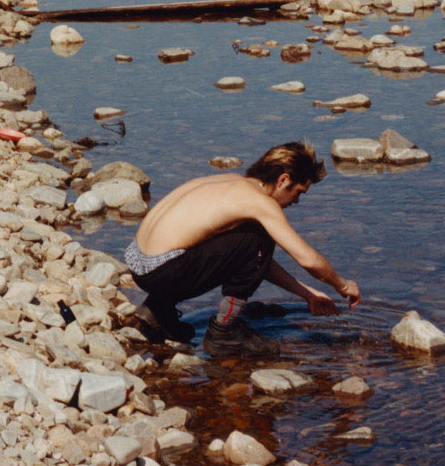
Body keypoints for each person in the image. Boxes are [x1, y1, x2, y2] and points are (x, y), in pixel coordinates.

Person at [122, 141, 360, 355]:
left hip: (139, 264)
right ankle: (225, 332)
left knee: (252, 241)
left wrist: (308, 294)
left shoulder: (230, 183)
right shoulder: (260, 203)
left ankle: (155, 312)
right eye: (298, 193)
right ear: (284, 179)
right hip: (161, 271)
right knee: (260, 238)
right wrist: (343, 285)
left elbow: (250, 261)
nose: (296, 201)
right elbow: (308, 260)